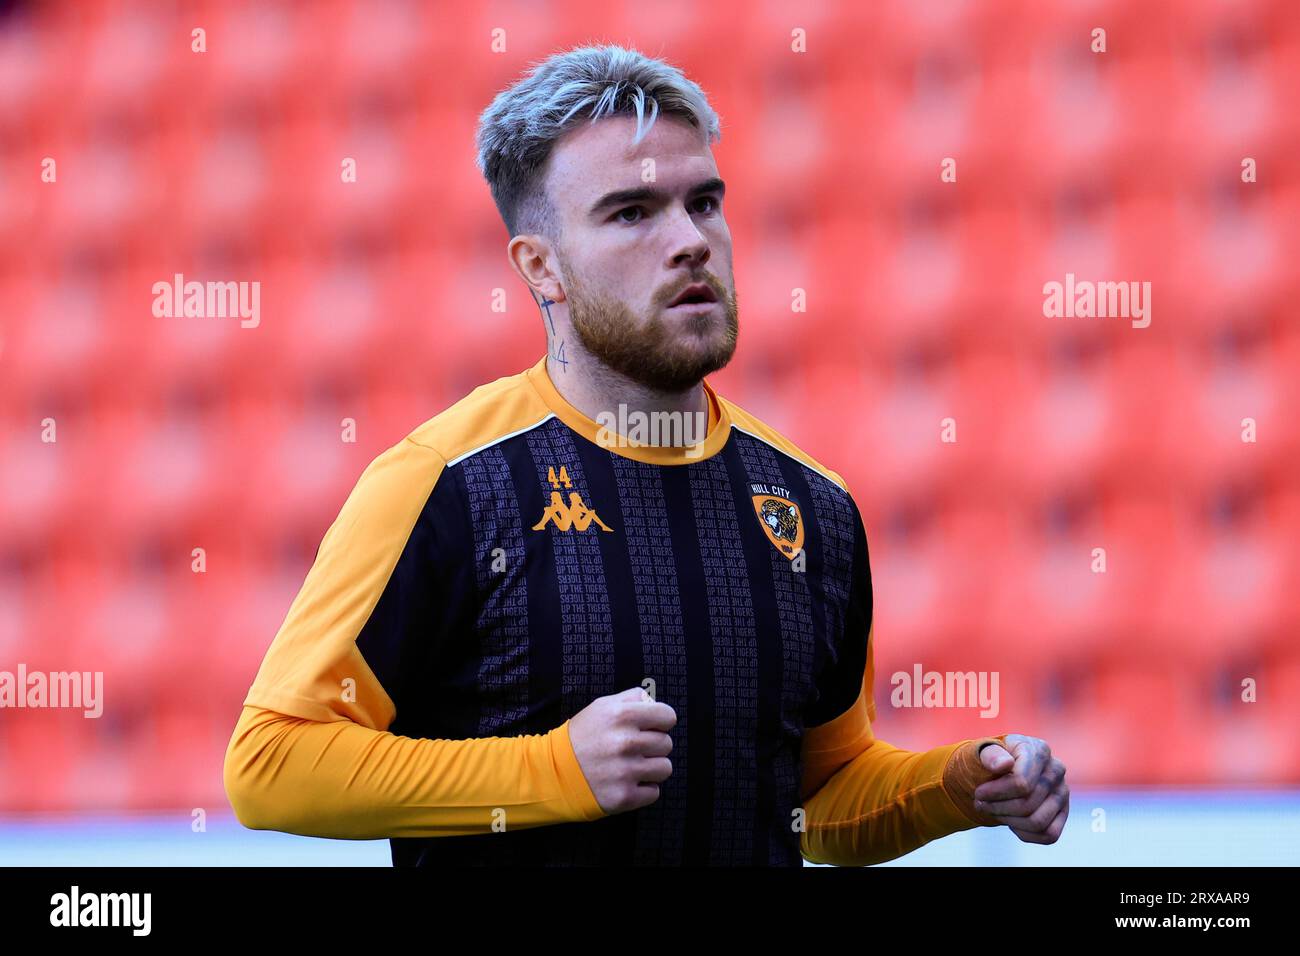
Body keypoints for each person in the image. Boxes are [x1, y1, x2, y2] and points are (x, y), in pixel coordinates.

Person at [223, 42, 1067, 866]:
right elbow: (269, 769)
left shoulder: (812, 503)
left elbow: (815, 801)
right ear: (541, 267)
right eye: (632, 213)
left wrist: (957, 788)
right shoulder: (445, 484)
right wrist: (551, 771)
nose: (691, 239)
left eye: (704, 202)